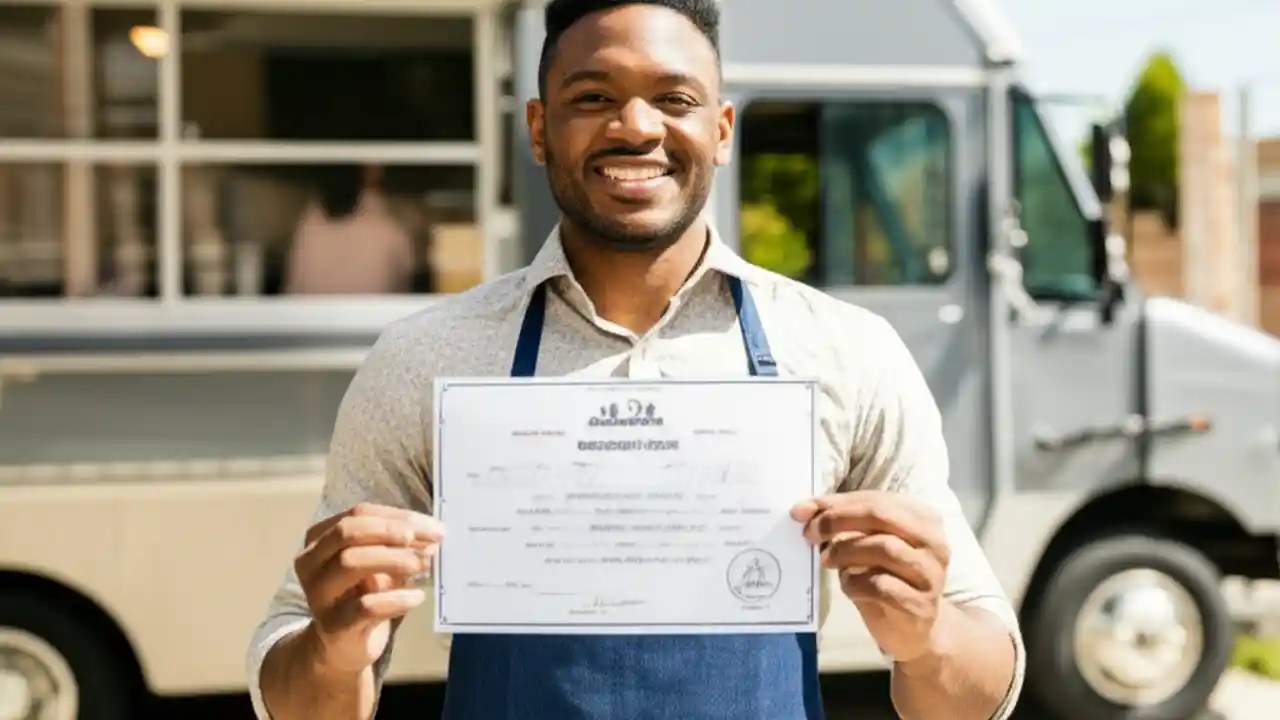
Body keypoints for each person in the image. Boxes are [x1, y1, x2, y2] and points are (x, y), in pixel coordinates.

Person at [247, 1, 1025, 718]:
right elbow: (296, 693)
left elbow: (975, 693)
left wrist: (929, 636)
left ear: (722, 130)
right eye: (592, 97)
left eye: (675, 99)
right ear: (540, 128)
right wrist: (331, 648)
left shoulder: (846, 352)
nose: (635, 127)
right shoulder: (424, 361)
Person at [283, 164, 415, 295]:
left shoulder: (307, 226)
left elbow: (292, 291)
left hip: (305, 314)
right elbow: (405, 287)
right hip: (374, 314)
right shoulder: (388, 228)